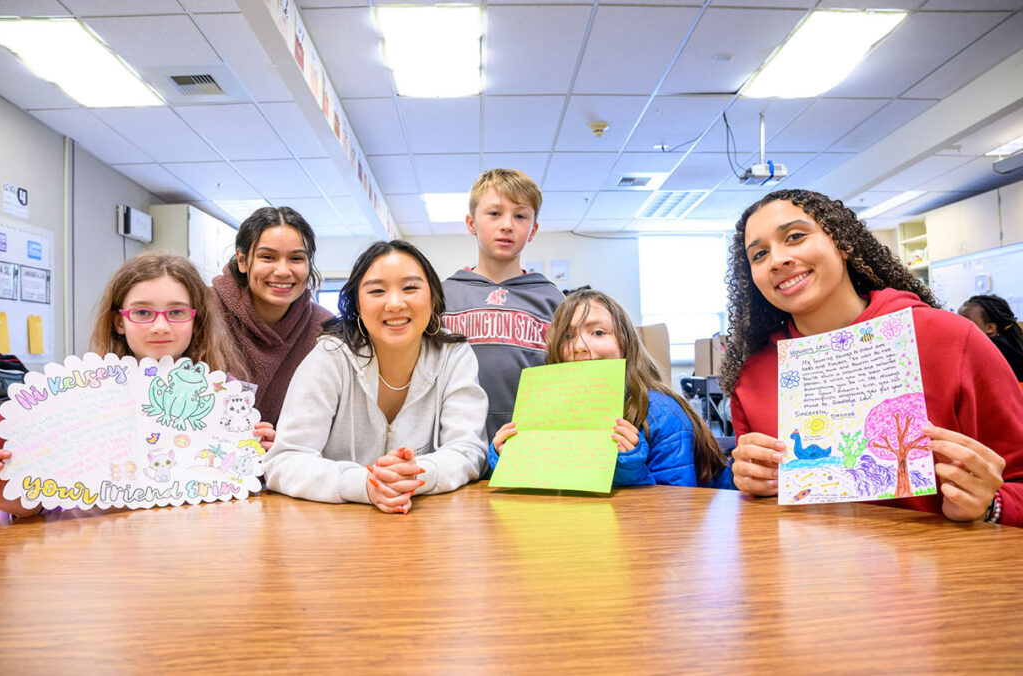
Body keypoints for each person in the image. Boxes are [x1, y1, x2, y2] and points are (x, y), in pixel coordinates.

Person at [722, 188, 1023, 526]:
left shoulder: (952, 339)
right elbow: (765, 515)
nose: (777, 259)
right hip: (810, 571)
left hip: (942, 571)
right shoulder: (752, 377)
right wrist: (753, 484)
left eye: (795, 236)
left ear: (843, 243)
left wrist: (991, 506)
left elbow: (1016, 481)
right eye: (759, 254)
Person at [0, 252, 269, 517]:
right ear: (119, 322)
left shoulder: (224, 399)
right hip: (94, 547)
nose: (160, 326)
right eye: (142, 312)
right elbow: (28, 506)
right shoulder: (76, 398)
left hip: (193, 545)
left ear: (195, 322)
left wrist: (262, 456)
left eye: (176, 312)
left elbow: (239, 497)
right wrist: (11, 477)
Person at [263, 240, 488, 514]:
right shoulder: (330, 357)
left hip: (427, 526)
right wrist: (364, 484)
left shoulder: (454, 356)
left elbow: (468, 451)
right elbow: (285, 461)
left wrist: (415, 475)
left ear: (433, 298)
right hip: (336, 531)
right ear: (357, 304)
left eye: (410, 288)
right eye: (377, 291)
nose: (394, 303)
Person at [489, 289, 733, 488]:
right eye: (567, 336)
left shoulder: (661, 413)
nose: (580, 346)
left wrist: (630, 468)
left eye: (598, 332)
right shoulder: (550, 411)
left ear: (625, 344)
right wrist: (507, 456)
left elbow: (678, 503)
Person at [441, 169, 563, 445]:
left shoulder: (553, 299)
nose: (507, 225)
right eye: (494, 213)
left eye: (520, 216)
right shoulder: (442, 296)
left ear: (532, 230)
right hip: (453, 441)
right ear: (471, 223)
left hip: (530, 442)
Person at [211, 206, 334, 427]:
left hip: (288, 456)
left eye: (296, 258)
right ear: (242, 260)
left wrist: (284, 443)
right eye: (268, 257)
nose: (283, 271)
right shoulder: (205, 310)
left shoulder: (325, 330)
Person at [958, 294, 1023, 381]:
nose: (958, 325)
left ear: (990, 328)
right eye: (958, 319)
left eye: (966, 322)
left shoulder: (989, 350)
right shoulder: (1008, 345)